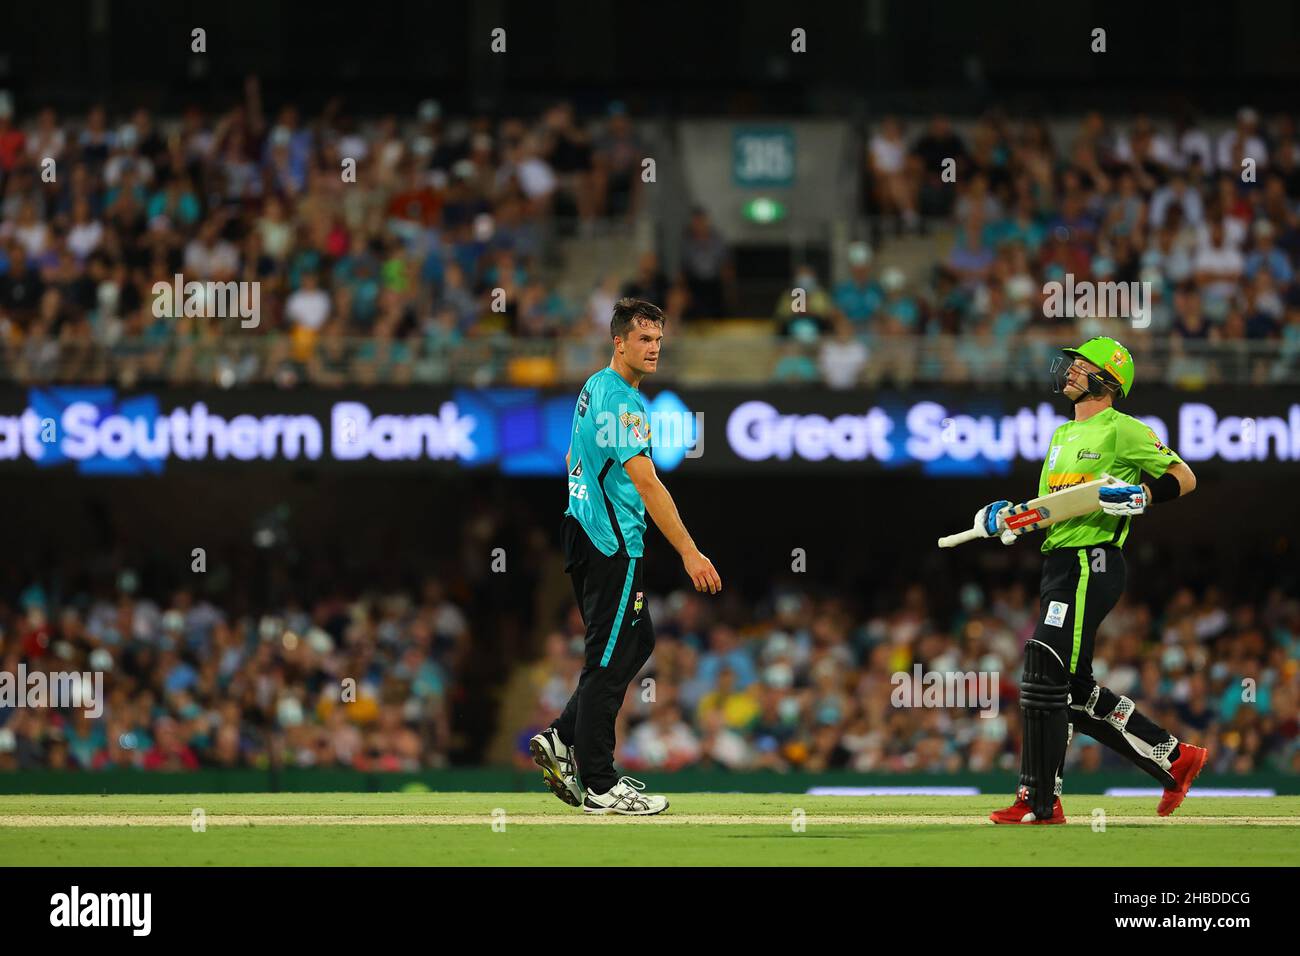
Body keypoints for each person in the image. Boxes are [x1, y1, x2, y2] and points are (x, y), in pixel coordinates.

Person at [972, 337, 1207, 824]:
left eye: (1082, 366)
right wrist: (1009, 519)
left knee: (1044, 669)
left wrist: (1142, 496)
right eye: (1073, 363)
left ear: (1108, 381)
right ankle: (1174, 757)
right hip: (1059, 563)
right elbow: (1052, 509)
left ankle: (1039, 800)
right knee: (1072, 689)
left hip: (1092, 562)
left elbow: (1185, 478)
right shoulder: (1061, 434)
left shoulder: (1123, 429)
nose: (1071, 371)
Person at [530, 297, 721, 815]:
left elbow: (572, 455)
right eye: (643, 339)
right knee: (607, 658)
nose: (654, 348)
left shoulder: (596, 385)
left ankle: (561, 736)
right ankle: (599, 782)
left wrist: (588, 499)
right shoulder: (625, 404)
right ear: (619, 342)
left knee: (637, 642)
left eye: (658, 340)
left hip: (585, 530)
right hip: (611, 544)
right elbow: (647, 482)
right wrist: (690, 552)